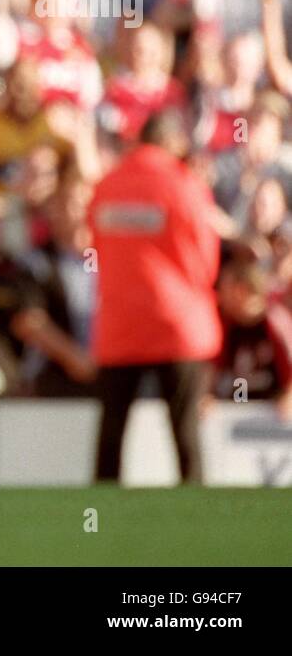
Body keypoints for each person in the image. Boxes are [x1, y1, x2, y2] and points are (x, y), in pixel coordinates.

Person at [88, 110, 222, 483]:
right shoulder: (185, 184)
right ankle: (195, 522)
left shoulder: (107, 184)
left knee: (111, 433)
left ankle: (98, 522)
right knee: (185, 433)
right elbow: (206, 259)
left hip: (120, 325)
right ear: (172, 141)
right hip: (177, 323)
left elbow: (96, 245)